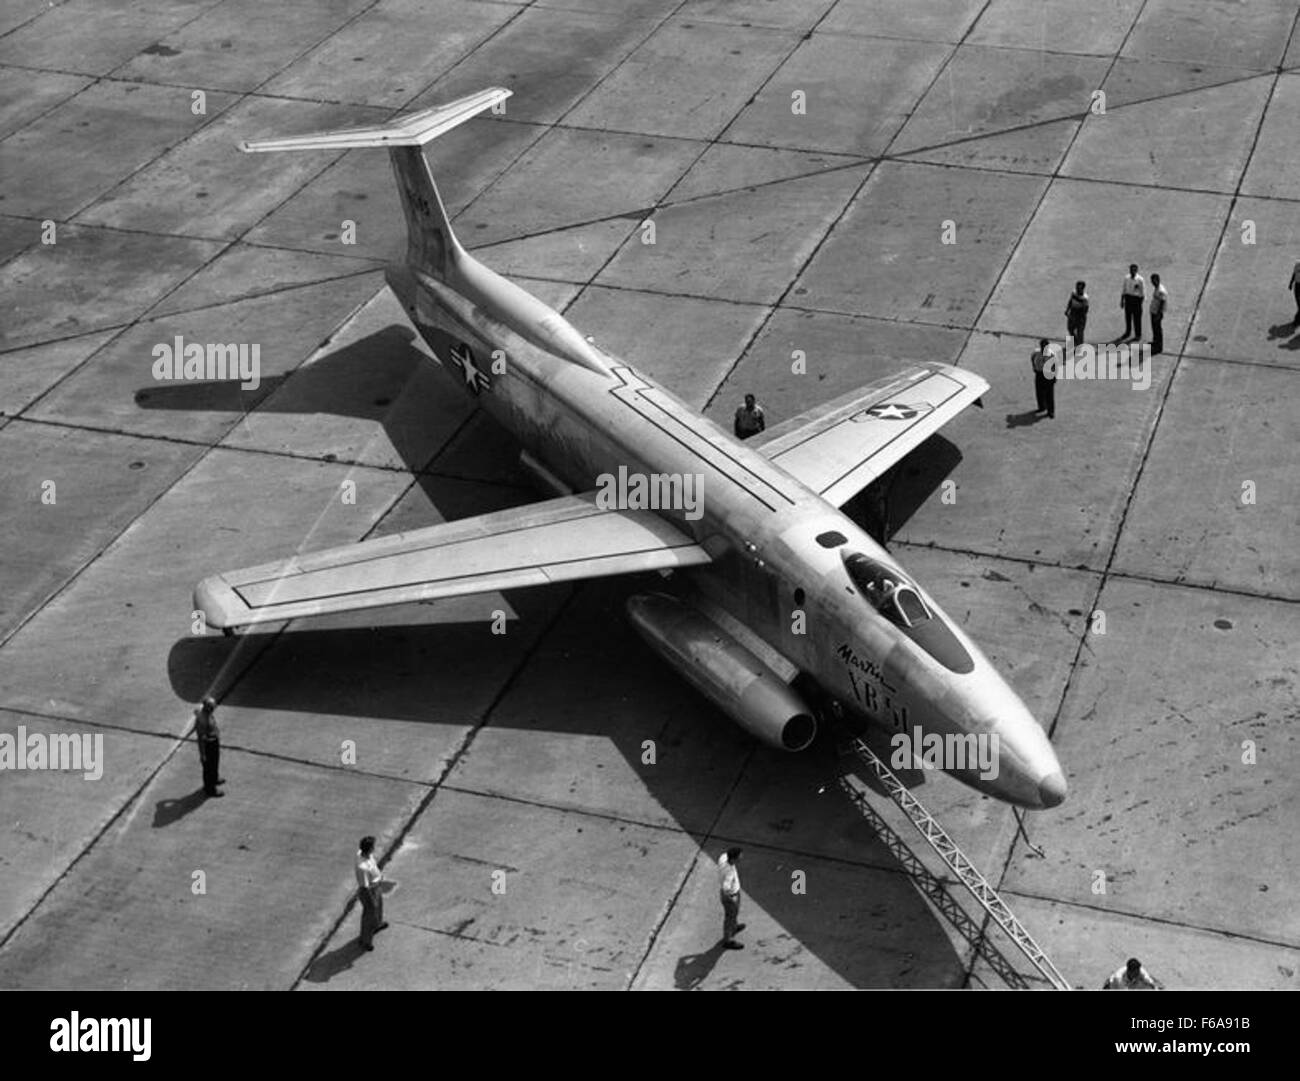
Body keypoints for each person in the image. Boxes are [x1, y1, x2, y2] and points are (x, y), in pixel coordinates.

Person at [355, 836, 388, 951]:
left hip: (376, 886)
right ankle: (365, 941)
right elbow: (365, 886)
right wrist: (371, 900)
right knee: (369, 915)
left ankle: (377, 924)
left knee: (379, 907)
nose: (374, 848)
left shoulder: (363, 853)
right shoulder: (362, 867)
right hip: (368, 891)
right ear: (369, 849)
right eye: (373, 846)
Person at [194, 696, 224, 798]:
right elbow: (200, 739)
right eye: (212, 706)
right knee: (208, 768)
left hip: (214, 742)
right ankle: (210, 789)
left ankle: (215, 778)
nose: (214, 708)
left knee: (215, 762)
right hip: (208, 745)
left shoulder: (208, 714)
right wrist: (203, 754)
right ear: (207, 707)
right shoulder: (202, 720)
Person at [717, 848, 745, 949]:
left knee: (734, 914)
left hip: (734, 892)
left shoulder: (723, 857)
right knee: (730, 917)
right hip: (731, 896)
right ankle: (727, 940)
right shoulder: (729, 872)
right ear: (733, 859)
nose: (742, 857)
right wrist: (731, 899)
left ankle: (734, 926)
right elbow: (726, 888)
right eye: (739, 856)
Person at [1030, 338, 1055, 419]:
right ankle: (1041, 407)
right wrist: (1034, 368)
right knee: (1039, 391)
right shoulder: (1036, 353)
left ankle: (1050, 411)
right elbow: (1032, 359)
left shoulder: (1051, 354)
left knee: (1049, 394)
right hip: (1039, 373)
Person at [1120, 264, 1144, 341]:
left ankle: (1138, 334)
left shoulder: (1140, 279)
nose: (1132, 271)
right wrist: (1122, 300)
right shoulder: (1126, 278)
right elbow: (1124, 289)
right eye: (1131, 270)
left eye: (1134, 270)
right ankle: (1128, 332)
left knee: (1137, 318)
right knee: (1128, 317)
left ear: (1136, 270)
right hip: (1128, 298)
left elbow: (1143, 291)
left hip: (1136, 299)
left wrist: (1140, 302)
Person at [1065, 280, 1089, 347]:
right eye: (1077, 287)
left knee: (1080, 332)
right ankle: (1076, 342)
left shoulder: (1085, 298)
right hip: (1073, 312)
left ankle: (1080, 346)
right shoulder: (1073, 293)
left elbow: (1085, 310)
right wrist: (1067, 310)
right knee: (1070, 328)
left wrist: (1079, 318)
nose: (1077, 289)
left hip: (1080, 315)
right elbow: (1070, 301)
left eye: (1079, 288)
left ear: (1083, 289)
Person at [1149, 273, 1168, 355]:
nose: (1152, 282)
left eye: (1154, 281)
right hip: (1154, 311)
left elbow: (1162, 302)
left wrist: (1158, 314)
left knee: (1158, 330)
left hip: (1157, 313)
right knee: (1154, 328)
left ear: (1158, 280)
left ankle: (1158, 347)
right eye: (1152, 281)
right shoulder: (1157, 288)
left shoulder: (1161, 290)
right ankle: (1155, 342)